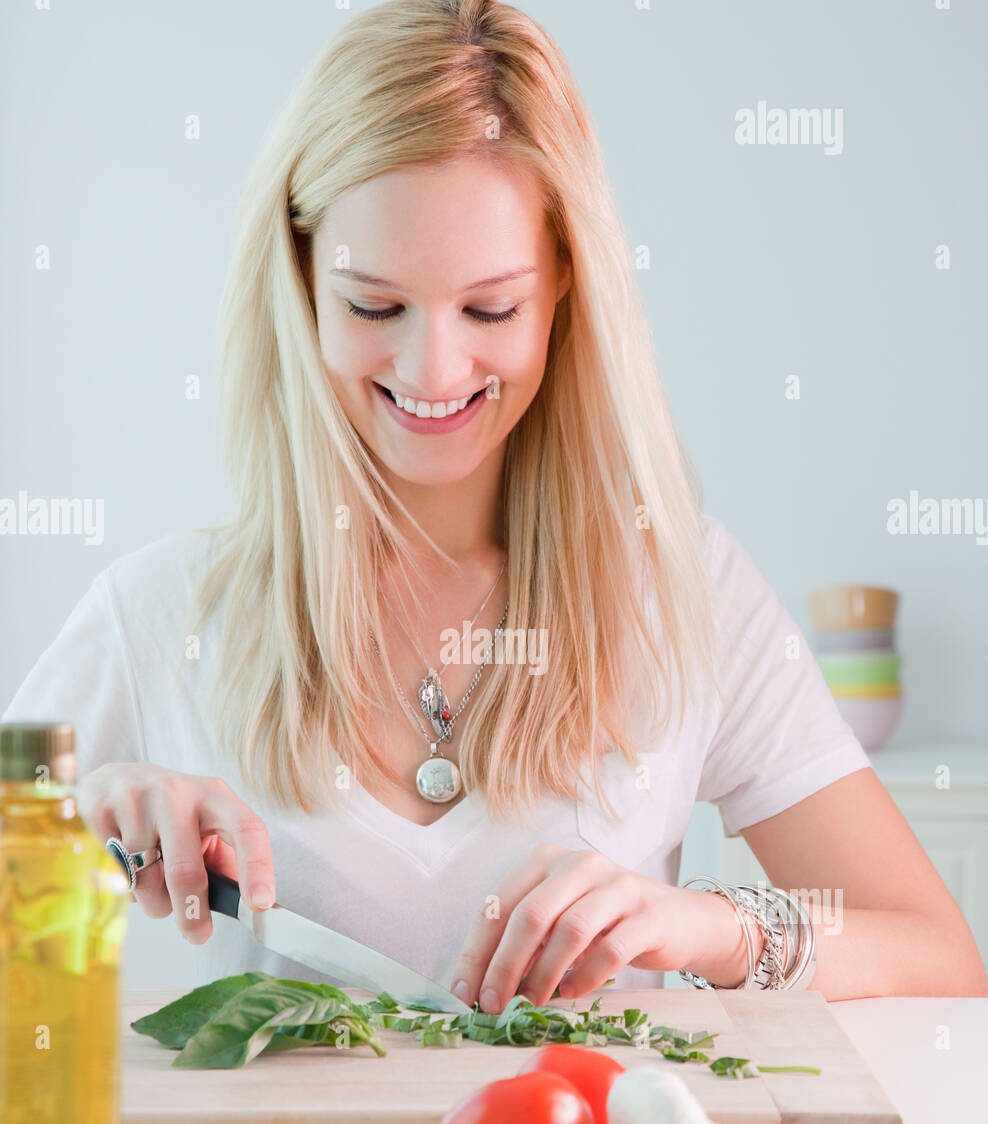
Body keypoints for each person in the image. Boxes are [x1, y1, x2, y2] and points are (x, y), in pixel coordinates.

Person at [3, 0, 984, 1004]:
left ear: (565, 282)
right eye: (372, 304)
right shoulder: (159, 613)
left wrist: (704, 925)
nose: (434, 366)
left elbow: (939, 960)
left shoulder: (683, 589)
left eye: (490, 307)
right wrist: (67, 826)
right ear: (297, 283)